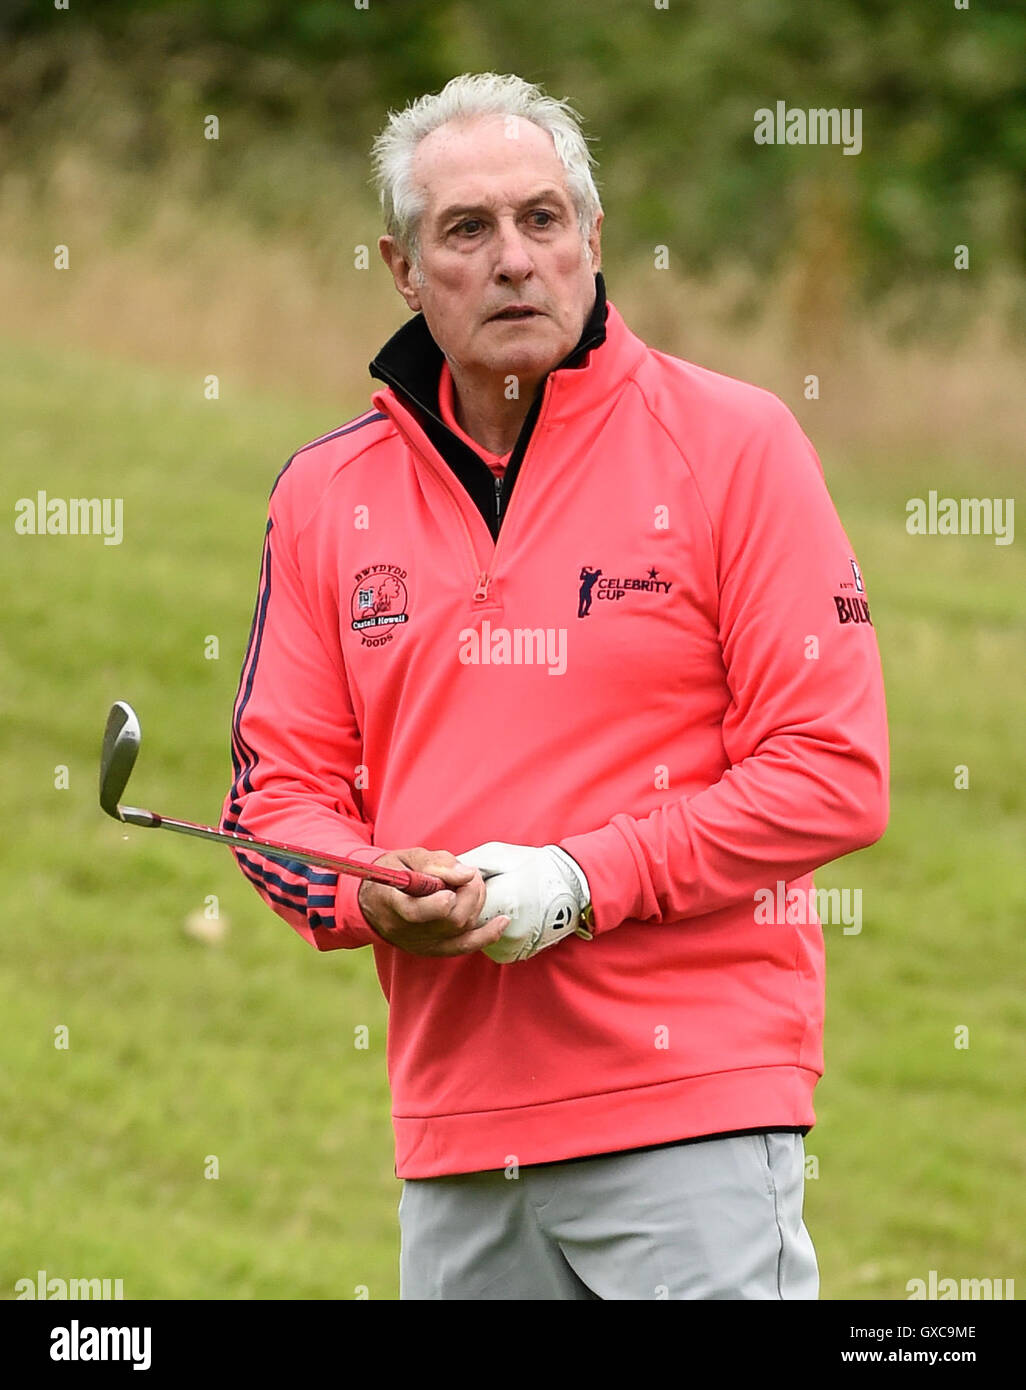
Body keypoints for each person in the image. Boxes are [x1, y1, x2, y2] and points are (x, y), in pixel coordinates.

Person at [220, 72, 889, 1300]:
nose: (515, 259)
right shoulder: (325, 496)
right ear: (403, 268)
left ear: (594, 237)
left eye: (543, 219)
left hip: (694, 1110)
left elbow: (832, 774)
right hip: (461, 1136)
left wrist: (579, 882)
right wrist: (375, 896)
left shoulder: (736, 447)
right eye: (467, 230)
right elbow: (276, 809)